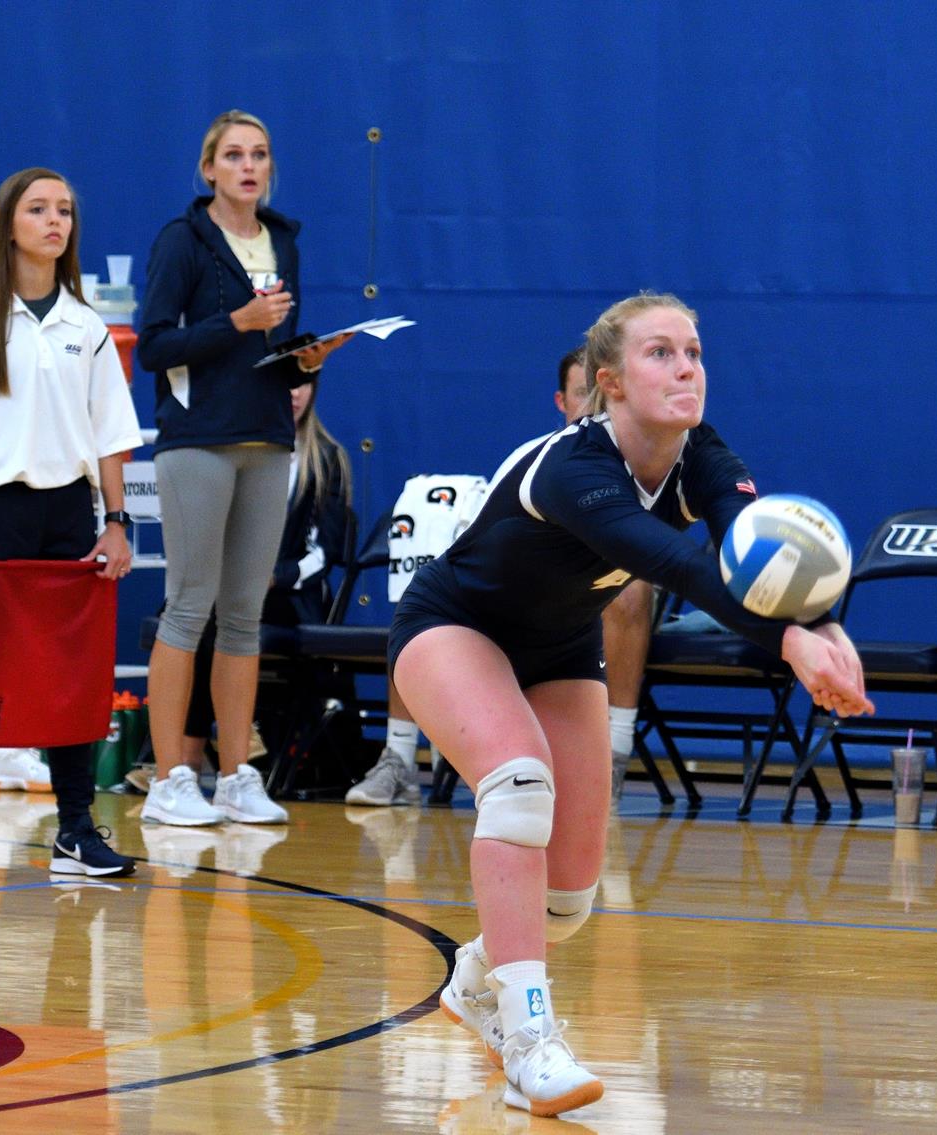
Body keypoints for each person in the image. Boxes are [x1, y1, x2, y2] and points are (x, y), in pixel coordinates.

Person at [397, 293, 871, 1117]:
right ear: (609, 382)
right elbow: (684, 567)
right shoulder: (573, 468)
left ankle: (479, 978)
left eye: (693, 351)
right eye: (661, 353)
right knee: (517, 783)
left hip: (558, 648)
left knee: (571, 899)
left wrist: (824, 623)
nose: (686, 367)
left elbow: (748, 547)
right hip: (455, 626)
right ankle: (530, 1042)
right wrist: (792, 644)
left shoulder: (701, 453)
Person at [0, 167, 142, 882]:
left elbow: (111, 436)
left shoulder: (87, 328)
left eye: (65, 211)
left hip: (68, 514)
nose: (54, 221)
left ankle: (75, 828)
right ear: (9, 222)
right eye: (39, 208)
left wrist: (117, 522)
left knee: (72, 677)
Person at [136, 109, 349, 828]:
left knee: (245, 616)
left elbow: (276, 342)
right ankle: (171, 776)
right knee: (188, 604)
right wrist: (236, 324)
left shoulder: (283, 239)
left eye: (259, 154)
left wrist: (304, 357)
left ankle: (235, 775)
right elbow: (155, 347)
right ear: (208, 170)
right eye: (233, 156)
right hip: (197, 438)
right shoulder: (182, 240)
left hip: (267, 438)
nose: (248, 166)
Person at [346, 346, 653, 809]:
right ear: (561, 403)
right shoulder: (534, 461)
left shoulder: (645, 471)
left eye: (602, 395)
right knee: (428, 592)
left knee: (630, 593)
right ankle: (399, 756)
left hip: (574, 619)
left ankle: (613, 751)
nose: (593, 405)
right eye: (580, 394)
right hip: (507, 608)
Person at [180, 375, 350, 770]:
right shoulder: (240, 450)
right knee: (191, 612)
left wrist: (277, 575)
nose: (294, 391)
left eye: (304, 383)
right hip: (232, 589)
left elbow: (326, 551)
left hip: (290, 597)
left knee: (219, 618)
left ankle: (185, 758)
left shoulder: (326, 457)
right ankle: (230, 731)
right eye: (287, 381)